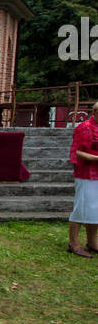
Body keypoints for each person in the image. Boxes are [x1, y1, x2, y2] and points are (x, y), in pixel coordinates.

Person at [67, 99, 98, 257]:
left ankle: (92, 242)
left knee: (95, 209)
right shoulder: (85, 128)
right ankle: (73, 243)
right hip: (86, 173)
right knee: (82, 207)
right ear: (95, 112)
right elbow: (76, 152)